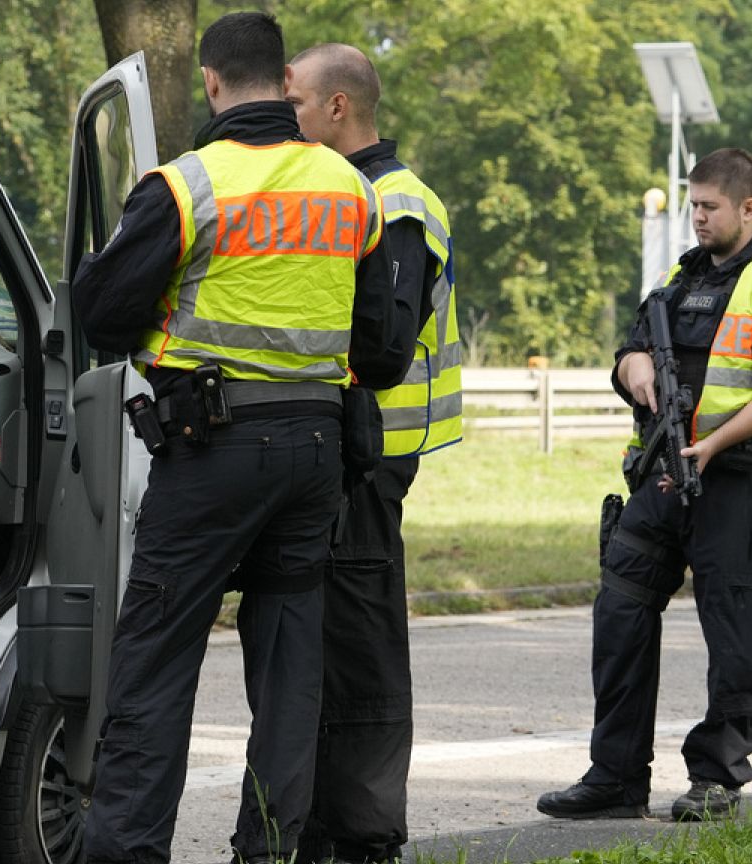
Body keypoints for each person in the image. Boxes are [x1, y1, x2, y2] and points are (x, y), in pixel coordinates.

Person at [72, 12, 406, 864]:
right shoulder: (350, 189)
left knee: (154, 659)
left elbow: (99, 313)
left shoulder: (188, 185)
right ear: (285, 86)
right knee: (291, 672)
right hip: (316, 457)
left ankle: (125, 855)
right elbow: (378, 349)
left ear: (214, 82)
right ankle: (271, 851)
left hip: (211, 449)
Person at [536, 148, 752, 822]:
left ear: (747, 209)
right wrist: (632, 368)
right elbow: (632, 345)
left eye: (709, 207)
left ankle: (716, 779)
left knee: (737, 639)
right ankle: (614, 778)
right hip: (661, 481)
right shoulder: (677, 281)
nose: (696, 218)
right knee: (620, 618)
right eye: (692, 206)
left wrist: (716, 440)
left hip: (735, 485)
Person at [284, 42, 460, 864]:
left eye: (295, 104)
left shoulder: (395, 202)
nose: (287, 118)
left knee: (359, 647)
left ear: (337, 109)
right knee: (322, 642)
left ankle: (361, 836)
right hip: (340, 448)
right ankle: (322, 826)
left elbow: (384, 347)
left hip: (371, 453)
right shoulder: (352, 195)